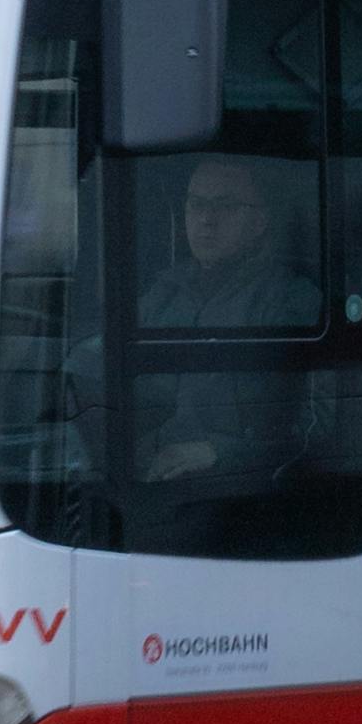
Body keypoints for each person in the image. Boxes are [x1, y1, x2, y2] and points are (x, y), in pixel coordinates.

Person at [138, 146, 320, 499]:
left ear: (260, 222)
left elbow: (317, 425)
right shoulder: (164, 293)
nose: (207, 219)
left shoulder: (289, 301)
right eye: (196, 204)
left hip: (242, 494)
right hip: (151, 477)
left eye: (225, 206)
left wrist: (220, 453)